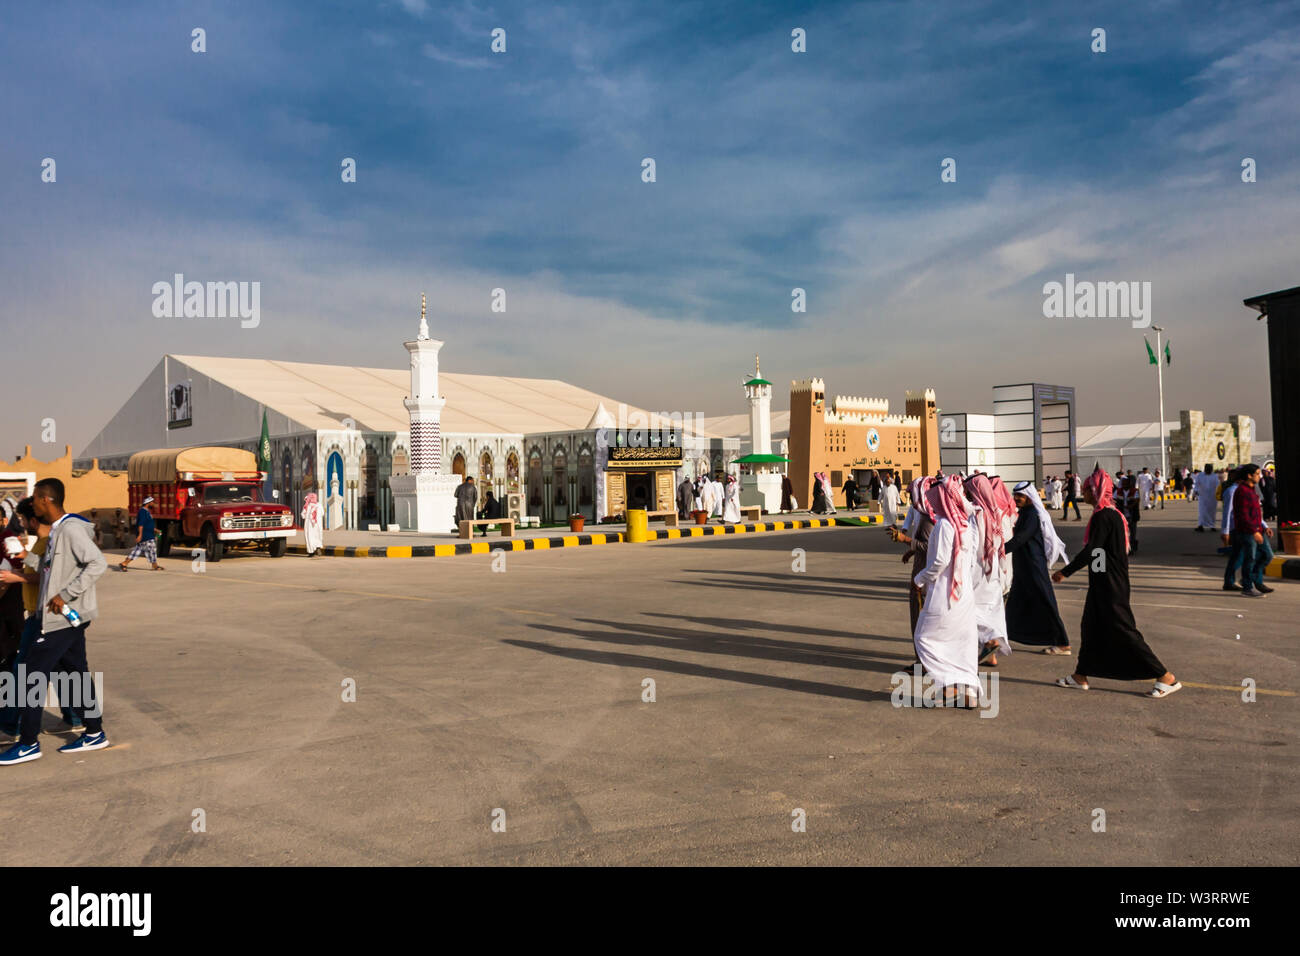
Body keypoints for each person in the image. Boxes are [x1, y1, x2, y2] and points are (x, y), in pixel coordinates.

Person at [0, 478, 110, 765]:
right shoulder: (59, 531)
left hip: (61, 619)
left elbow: (97, 563)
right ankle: (95, 731)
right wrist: (30, 559)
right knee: (74, 674)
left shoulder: (71, 529)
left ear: (46, 500)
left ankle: (27, 743)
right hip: (61, 618)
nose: (33, 504)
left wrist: (66, 593)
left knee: (29, 676)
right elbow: (54, 569)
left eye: (35, 498)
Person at [1051, 467, 1180, 697]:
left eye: (1088, 489)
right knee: (1090, 627)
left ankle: (1165, 676)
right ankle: (1081, 675)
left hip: (1111, 585)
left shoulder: (1104, 516)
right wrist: (1095, 576)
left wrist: (1066, 572)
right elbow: (1100, 554)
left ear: (1096, 491)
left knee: (1123, 630)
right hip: (1104, 581)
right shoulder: (1107, 514)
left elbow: (1093, 550)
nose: (1085, 492)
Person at [0, 498, 82, 736]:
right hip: (41, 615)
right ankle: (77, 717)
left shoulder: (48, 543)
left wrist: (18, 578)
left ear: (34, 519)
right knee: (63, 669)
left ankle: (16, 728)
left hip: (46, 617)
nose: (21, 523)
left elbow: (48, 578)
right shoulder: (40, 544)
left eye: (24, 518)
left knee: (26, 672)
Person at [912, 475, 981, 708]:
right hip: (963, 594)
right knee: (962, 642)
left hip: (944, 593)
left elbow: (940, 561)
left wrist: (919, 579)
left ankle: (946, 683)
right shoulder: (965, 524)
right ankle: (968, 693)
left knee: (925, 638)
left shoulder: (944, 525)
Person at [1005, 482, 1071, 653]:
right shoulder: (1025, 513)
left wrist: (999, 550)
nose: (1016, 499)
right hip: (1023, 567)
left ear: (1029, 497)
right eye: (1015, 495)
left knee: (1045, 601)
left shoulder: (1032, 515)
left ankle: (1063, 642)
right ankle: (1001, 638)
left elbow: (1021, 538)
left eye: (1020, 496)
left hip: (1033, 565)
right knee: (1015, 604)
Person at [964, 474, 1011, 668]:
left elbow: (972, 545)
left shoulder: (976, 514)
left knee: (970, 611)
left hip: (978, 570)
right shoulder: (996, 512)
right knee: (991, 610)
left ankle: (989, 642)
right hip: (994, 571)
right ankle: (991, 655)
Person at [891, 476, 935, 648]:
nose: (911, 497)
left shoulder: (928, 519)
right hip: (925, 573)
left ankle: (922, 663)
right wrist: (911, 550)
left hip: (924, 577)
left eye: (913, 493)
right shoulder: (927, 514)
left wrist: (905, 539)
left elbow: (932, 549)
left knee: (921, 619)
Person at [1231, 464, 1274, 597]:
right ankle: (1248, 588)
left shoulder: (1252, 489)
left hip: (1258, 529)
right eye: (1257, 473)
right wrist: (1254, 531)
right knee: (1250, 558)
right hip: (1248, 532)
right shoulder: (1242, 491)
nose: (1259, 476)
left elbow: (1255, 513)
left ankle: (1248, 579)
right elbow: (1243, 515)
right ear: (1249, 476)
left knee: (1268, 555)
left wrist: (1264, 526)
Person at [118, 496, 162, 571]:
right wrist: (140, 535)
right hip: (145, 536)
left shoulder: (146, 511)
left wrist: (155, 530)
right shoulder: (142, 512)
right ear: (148, 503)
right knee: (152, 550)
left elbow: (147, 524)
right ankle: (155, 566)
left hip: (148, 534)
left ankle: (124, 563)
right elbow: (141, 524)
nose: (153, 504)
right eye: (152, 502)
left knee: (139, 550)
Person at [1118, 474, 1142, 555]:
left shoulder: (1134, 491)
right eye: (1123, 483)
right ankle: (1125, 547)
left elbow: (1136, 500)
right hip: (1122, 515)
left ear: (1129, 483)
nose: (1124, 484)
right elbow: (1115, 500)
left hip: (1132, 515)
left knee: (1132, 532)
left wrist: (1129, 506)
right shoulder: (1119, 491)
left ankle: (1132, 547)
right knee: (1123, 533)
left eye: (1125, 483)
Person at [1193, 464, 1218, 531]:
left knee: (1212, 512)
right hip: (1202, 496)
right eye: (1207, 469)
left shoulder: (1215, 476)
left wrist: (1219, 494)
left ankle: (1212, 526)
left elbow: (1218, 486)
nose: (1208, 470)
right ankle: (1200, 525)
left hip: (1212, 497)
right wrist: (1195, 491)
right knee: (1202, 511)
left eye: (1210, 469)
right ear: (1205, 469)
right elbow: (1197, 484)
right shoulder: (1200, 475)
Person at [301, 491, 323, 556]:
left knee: (309, 537)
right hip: (317, 525)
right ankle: (318, 547)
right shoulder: (319, 505)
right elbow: (322, 513)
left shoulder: (307, 506)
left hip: (309, 525)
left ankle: (311, 552)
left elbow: (303, 515)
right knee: (317, 536)